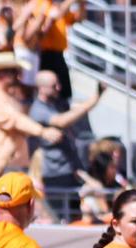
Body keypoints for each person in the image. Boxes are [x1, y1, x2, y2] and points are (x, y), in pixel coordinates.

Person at [0, 51, 62, 184]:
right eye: (14, 72)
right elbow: (14, 120)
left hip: (13, 163)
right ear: (2, 73)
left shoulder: (9, 97)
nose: (18, 76)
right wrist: (42, 131)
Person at [29, 69, 102, 223]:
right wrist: (94, 99)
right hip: (55, 174)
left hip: (69, 171)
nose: (58, 88)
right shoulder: (38, 109)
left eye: (58, 84)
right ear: (41, 88)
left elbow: (74, 110)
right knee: (61, 219)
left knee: (77, 217)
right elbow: (63, 121)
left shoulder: (58, 104)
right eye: (53, 85)